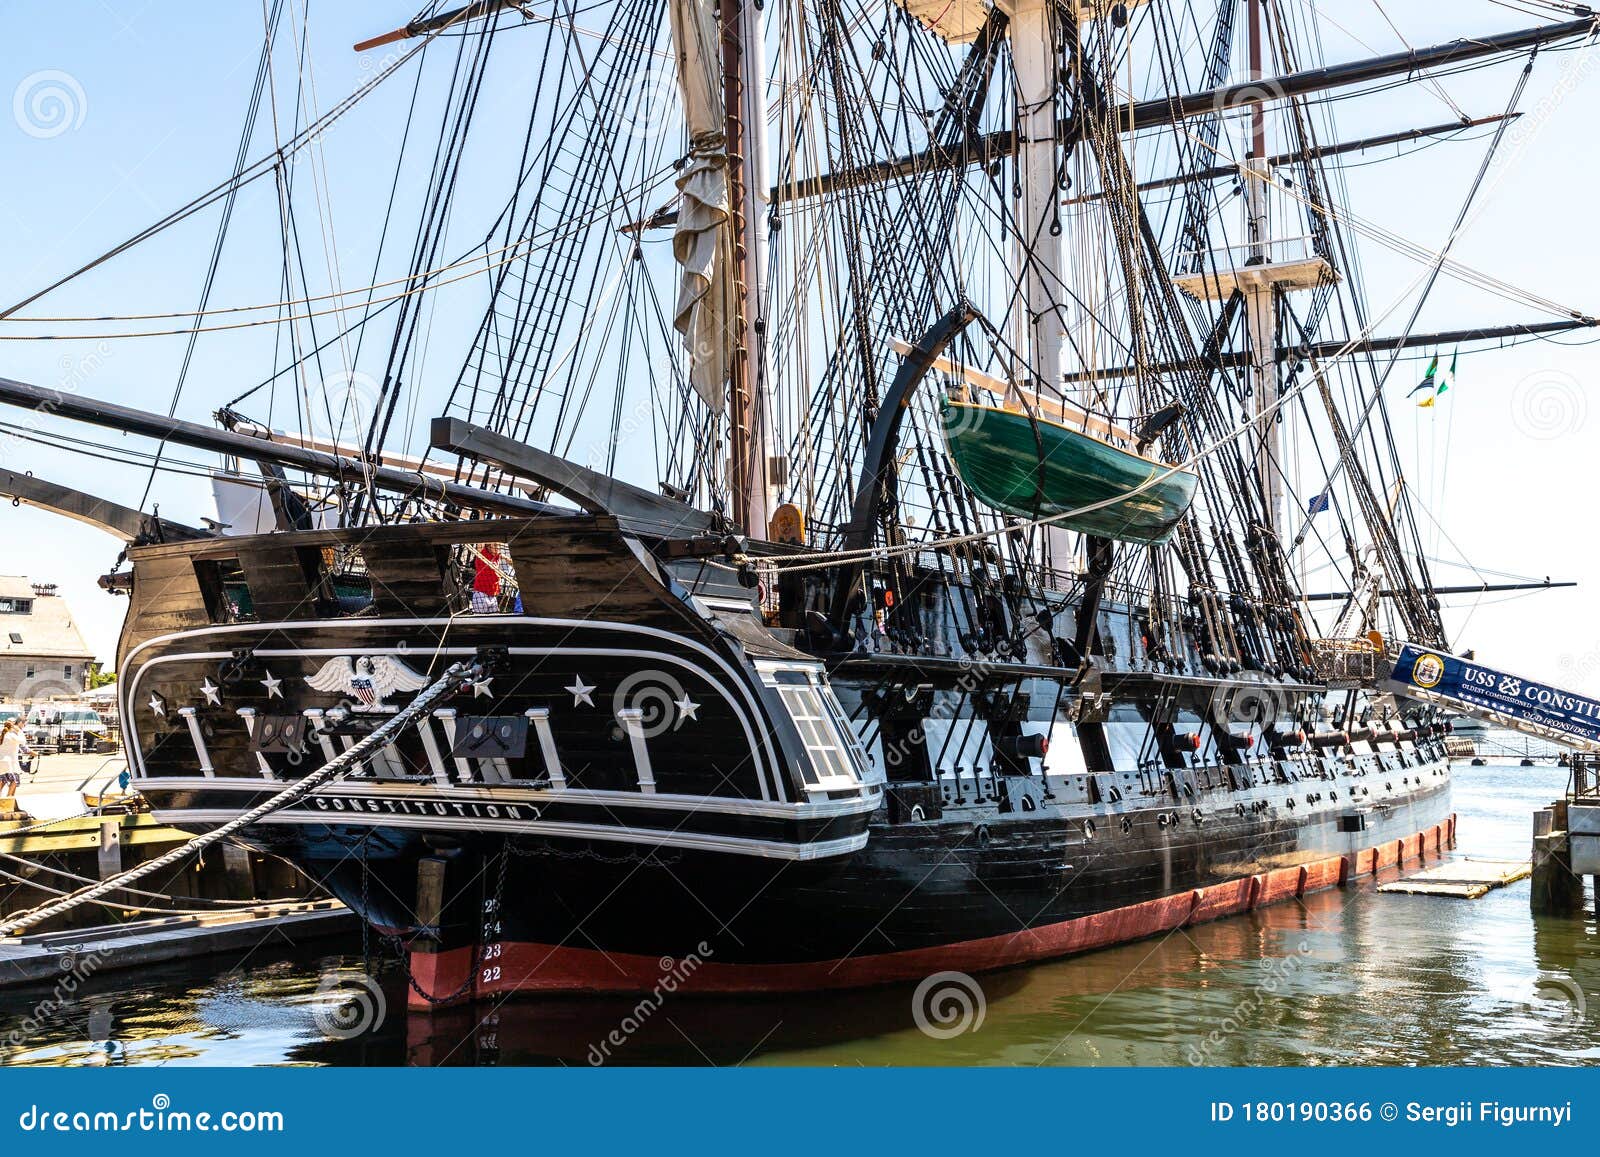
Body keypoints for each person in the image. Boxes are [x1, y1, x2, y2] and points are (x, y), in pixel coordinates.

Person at [0, 720, 30, 799]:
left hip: (1, 762)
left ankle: (6, 800)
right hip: (8, 762)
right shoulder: (11, 736)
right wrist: (18, 730)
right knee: (14, 781)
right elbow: (23, 741)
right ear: (11, 727)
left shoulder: (2, 735)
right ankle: (8, 799)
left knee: (3, 780)